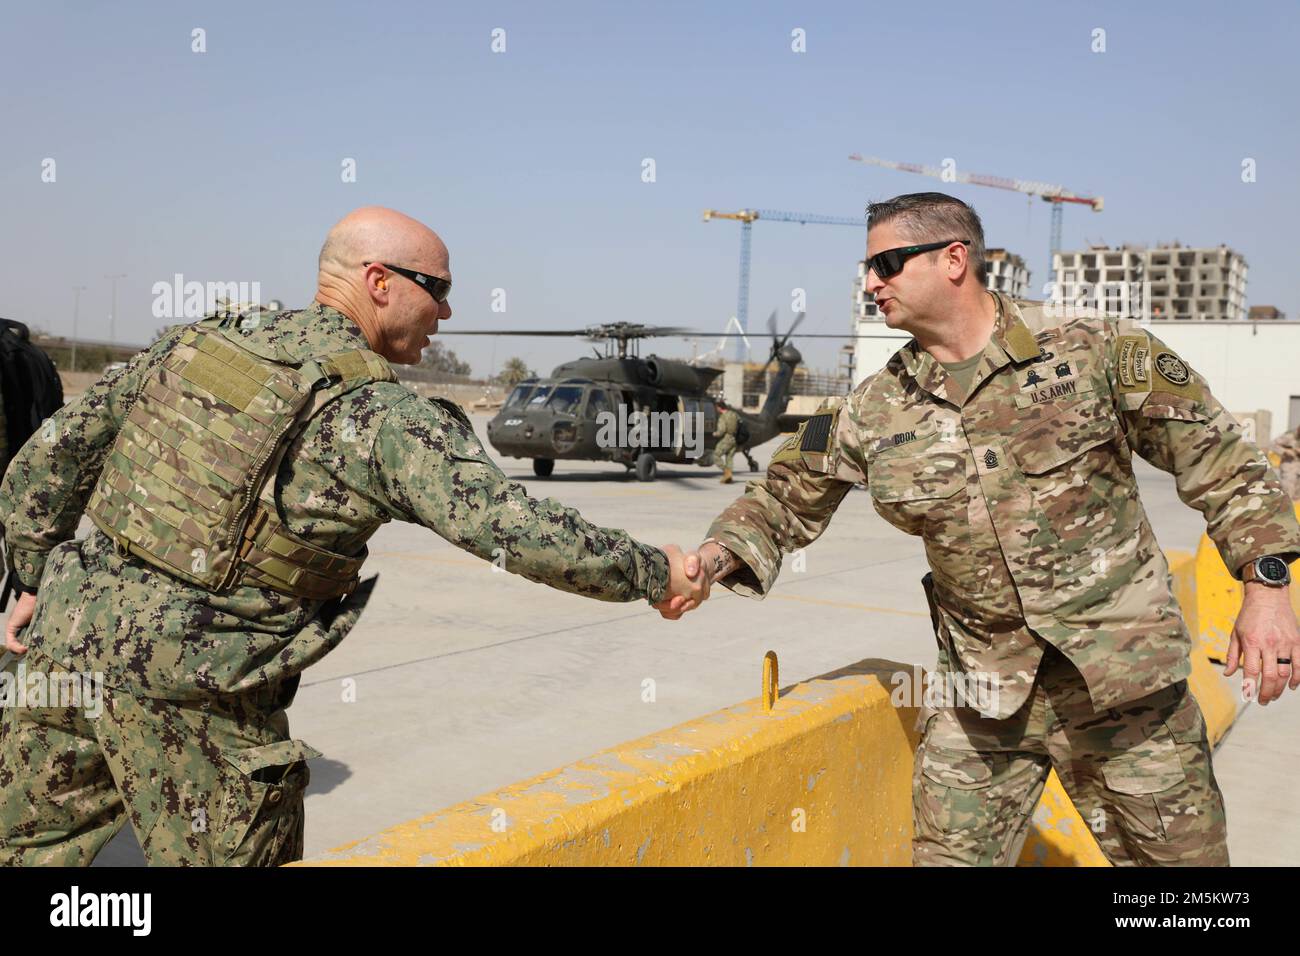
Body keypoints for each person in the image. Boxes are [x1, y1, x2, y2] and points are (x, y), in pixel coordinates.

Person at [0, 206, 707, 866]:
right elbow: (518, 531)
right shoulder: (379, 416)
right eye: (438, 289)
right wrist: (654, 573)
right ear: (379, 282)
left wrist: (34, 582)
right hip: (195, 686)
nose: (448, 312)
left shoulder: (196, 344)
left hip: (63, 648)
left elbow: (45, 461)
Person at [661, 192, 1300, 866]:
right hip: (982, 707)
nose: (870, 282)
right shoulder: (874, 408)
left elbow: (1225, 465)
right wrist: (712, 559)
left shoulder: (1095, 351)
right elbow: (783, 499)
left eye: (887, 263)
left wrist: (1266, 589)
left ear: (954, 259)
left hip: (1129, 699)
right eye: (868, 267)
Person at [713, 400, 739, 484]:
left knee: (716, 455)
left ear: (719, 407)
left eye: (717, 407)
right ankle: (728, 478)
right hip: (735, 438)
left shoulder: (723, 417)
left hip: (727, 438)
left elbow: (722, 430)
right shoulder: (734, 414)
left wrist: (715, 434)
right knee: (729, 458)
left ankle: (726, 472)